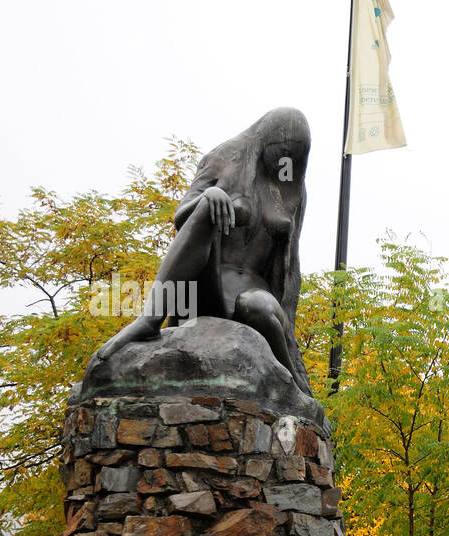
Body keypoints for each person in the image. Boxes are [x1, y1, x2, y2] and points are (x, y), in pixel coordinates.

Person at [92, 107, 314, 397]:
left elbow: (291, 267)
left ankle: (290, 385)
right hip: (206, 288)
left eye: (295, 155)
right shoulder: (222, 160)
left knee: (259, 306)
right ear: (264, 139)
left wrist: (291, 336)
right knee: (209, 203)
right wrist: (212, 196)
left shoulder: (293, 189)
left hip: (253, 296)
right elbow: (182, 217)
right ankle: (149, 319)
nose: (286, 160)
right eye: (282, 150)